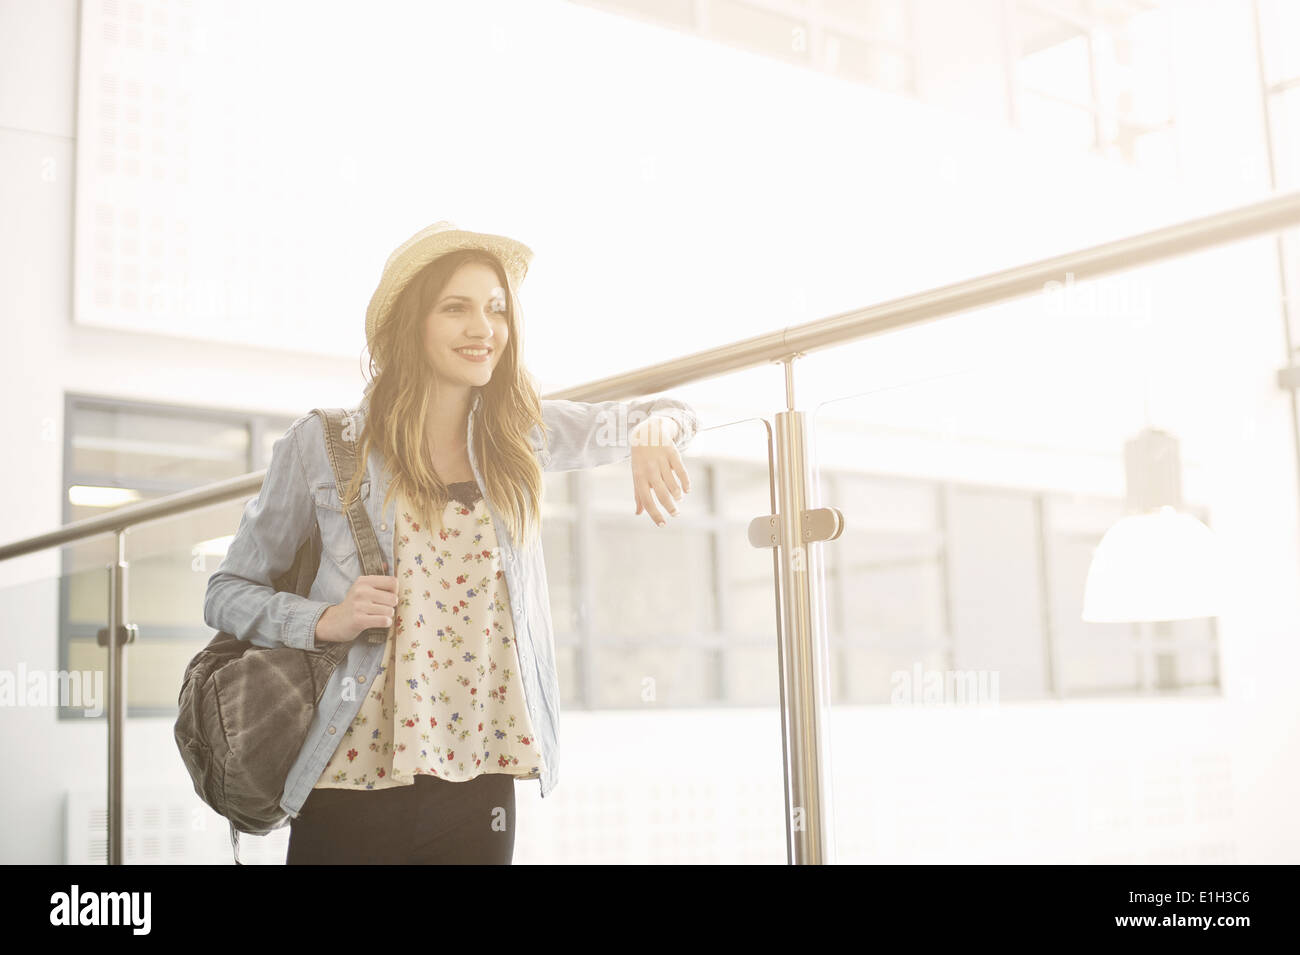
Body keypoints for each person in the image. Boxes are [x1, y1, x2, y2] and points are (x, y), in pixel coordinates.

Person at [205, 221, 700, 864]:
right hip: (349, 767)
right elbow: (226, 593)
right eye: (456, 308)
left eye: (496, 309)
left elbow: (671, 411)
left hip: (481, 774)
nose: (483, 328)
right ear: (412, 323)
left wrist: (657, 430)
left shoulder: (518, 437)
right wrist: (326, 619)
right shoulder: (325, 445)